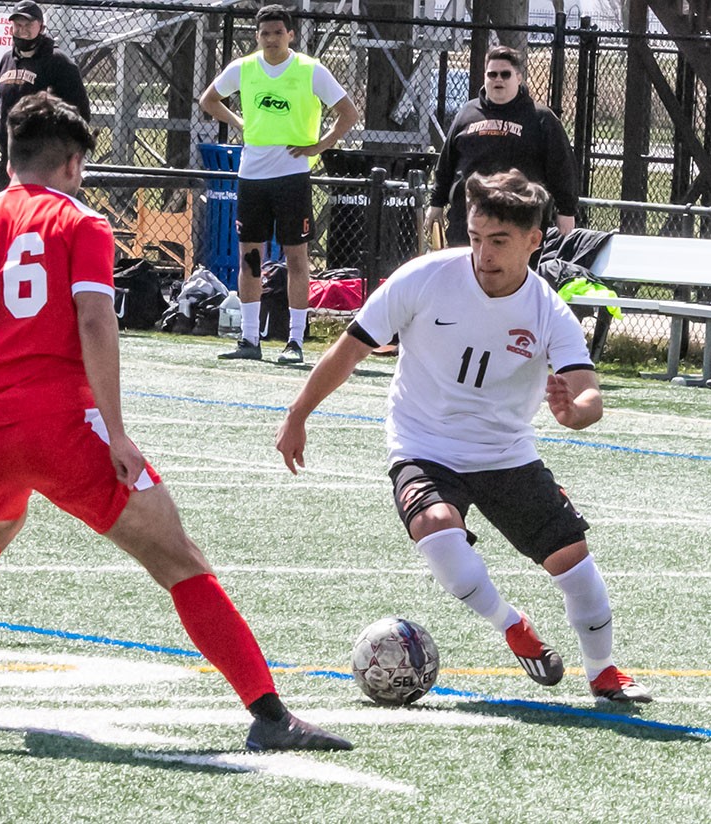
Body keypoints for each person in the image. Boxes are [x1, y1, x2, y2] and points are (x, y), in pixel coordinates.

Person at [0, 91, 352, 753]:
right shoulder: (81, 223)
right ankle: (270, 715)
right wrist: (117, 432)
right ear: (74, 164)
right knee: (179, 558)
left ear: (9, 159)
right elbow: (96, 320)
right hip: (61, 430)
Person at [277, 169, 651, 704]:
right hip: (423, 444)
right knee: (435, 526)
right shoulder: (424, 278)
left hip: (505, 453)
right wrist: (298, 414)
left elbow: (588, 393)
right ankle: (512, 625)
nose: (483, 254)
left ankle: (604, 671)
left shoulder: (548, 311)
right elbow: (350, 348)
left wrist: (575, 413)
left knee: (573, 563)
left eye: (499, 241)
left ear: (533, 240)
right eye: (475, 238)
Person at [200, 4, 359, 365]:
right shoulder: (243, 68)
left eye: (277, 33)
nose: (271, 39)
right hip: (252, 175)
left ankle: (295, 340)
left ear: (290, 35)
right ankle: (249, 337)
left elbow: (348, 113)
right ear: (257, 36)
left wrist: (320, 145)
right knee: (250, 258)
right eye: (265, 33)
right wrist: (239, 123)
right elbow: (208, 100)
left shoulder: (310, 70)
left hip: (292, 176)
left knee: (296, 258)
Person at [424, 45, 578, 249]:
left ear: (519, 78)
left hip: (519, 224)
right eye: (492, 74)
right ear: (485, 77)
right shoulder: (467, 113)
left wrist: (566, 211)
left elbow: (562, 168)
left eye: (505, 74)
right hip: (467, 223)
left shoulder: (541, 118)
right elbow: (446, 164)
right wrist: (436, 203)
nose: (498, 79)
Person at [0, 1, 90, 188]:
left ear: (41, 27)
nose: (22, 30)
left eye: (28, 25)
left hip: (44, 163)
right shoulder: (6, 60)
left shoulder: (58, 61)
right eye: (18, 25)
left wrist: (59, 151)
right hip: (11, 158)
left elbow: (80, 113)